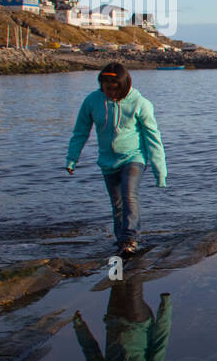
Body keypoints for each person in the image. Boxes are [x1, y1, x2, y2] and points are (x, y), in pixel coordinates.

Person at [65, 62, 168, 256]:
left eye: (114, 89)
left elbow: (153, 137)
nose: (110, 93)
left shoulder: (140, 103)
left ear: (124, 86)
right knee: (117, 204)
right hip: (107, 161)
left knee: (129, 195)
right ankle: (122, 242)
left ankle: (131, 239)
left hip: (134, 157)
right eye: (106, 89)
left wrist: (160, 171)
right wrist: (72, 159)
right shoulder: (92, 101)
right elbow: (80, 132)